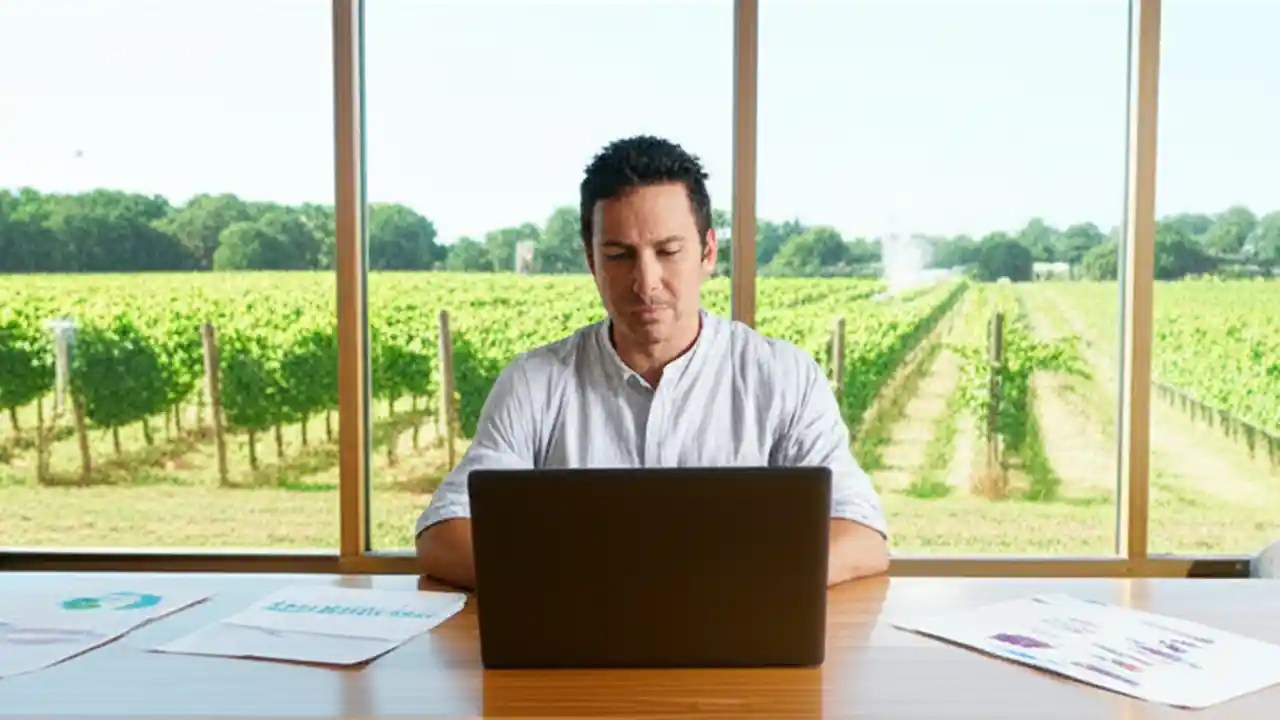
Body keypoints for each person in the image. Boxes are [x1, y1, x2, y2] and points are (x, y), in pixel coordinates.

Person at [415, 135, 889, 589]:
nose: (646, 282)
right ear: (591, 260)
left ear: (707, 252)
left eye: (668, 251)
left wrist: (728, 580)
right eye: (619, 255)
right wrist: (588, 582)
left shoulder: (783, 377)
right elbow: (444, 531)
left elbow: (862, 532)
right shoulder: (534, 383)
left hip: (737, 635)